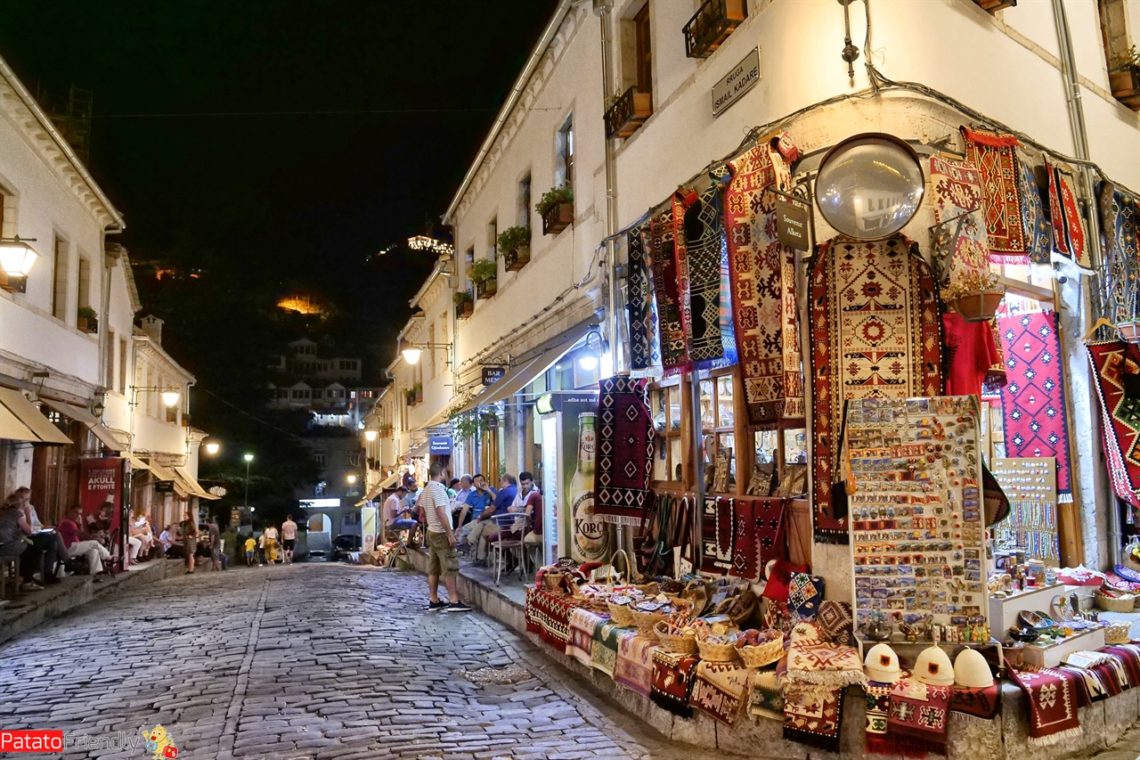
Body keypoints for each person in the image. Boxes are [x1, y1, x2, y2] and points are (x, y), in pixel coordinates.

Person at [416, 462, 469, 612]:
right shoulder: (438, 490)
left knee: (434, 568)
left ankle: (434, 599)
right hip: (440, 533)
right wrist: (449, 534)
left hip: (431, 531)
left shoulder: (426, 490)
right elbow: (441, 512)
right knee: (450, 566)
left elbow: (422, 513)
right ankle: (453, 600)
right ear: (442, 474)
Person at [15, 487, 62, 584]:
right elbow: (28, 530)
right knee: (52, 539)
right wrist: (27, 513)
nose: (26, 502)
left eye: (28, 499)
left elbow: (37, 523)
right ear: (19, 498)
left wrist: (44, 527)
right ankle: (65, 562)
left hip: (35, 534)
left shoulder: (31, 507)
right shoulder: (17, 510)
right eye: (24, 498)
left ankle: (48, 572)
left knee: (53, 540)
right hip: (25, 537)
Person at [58, 506, 112, 578]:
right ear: (69, 511)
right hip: (68, 548)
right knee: (94, 543)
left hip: (74, 547)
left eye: (80, 514)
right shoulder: (66, 522)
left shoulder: (73, 523)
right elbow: (81, 535)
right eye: (76, 512)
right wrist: (95, 537)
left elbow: (81, 534)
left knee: (93, 550)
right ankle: (108, 556)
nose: (77, 515)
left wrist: (81, 524)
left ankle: (96, 573)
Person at [0, 493, 35, 591]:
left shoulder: (3, 512)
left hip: (2, 546)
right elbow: (29, 530)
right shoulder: (16, 513)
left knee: (27, 548)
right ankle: (26, 581)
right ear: (20, 504)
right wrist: (28, 513)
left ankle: (20, 578)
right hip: (7, 547)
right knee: (33, 549)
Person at [458, 473, 496, 562]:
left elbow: (497, 502)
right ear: (473, 484)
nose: (479, 482)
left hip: (489, 519)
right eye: (477, 481)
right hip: (475, 520)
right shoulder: (471, 495)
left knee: (474, 530)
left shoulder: (491, 491)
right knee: (465, 529)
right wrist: (459, 525)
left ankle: (468, 545)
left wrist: (488, 490)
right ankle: (478, 557)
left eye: (481, 480)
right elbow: (464, 510)